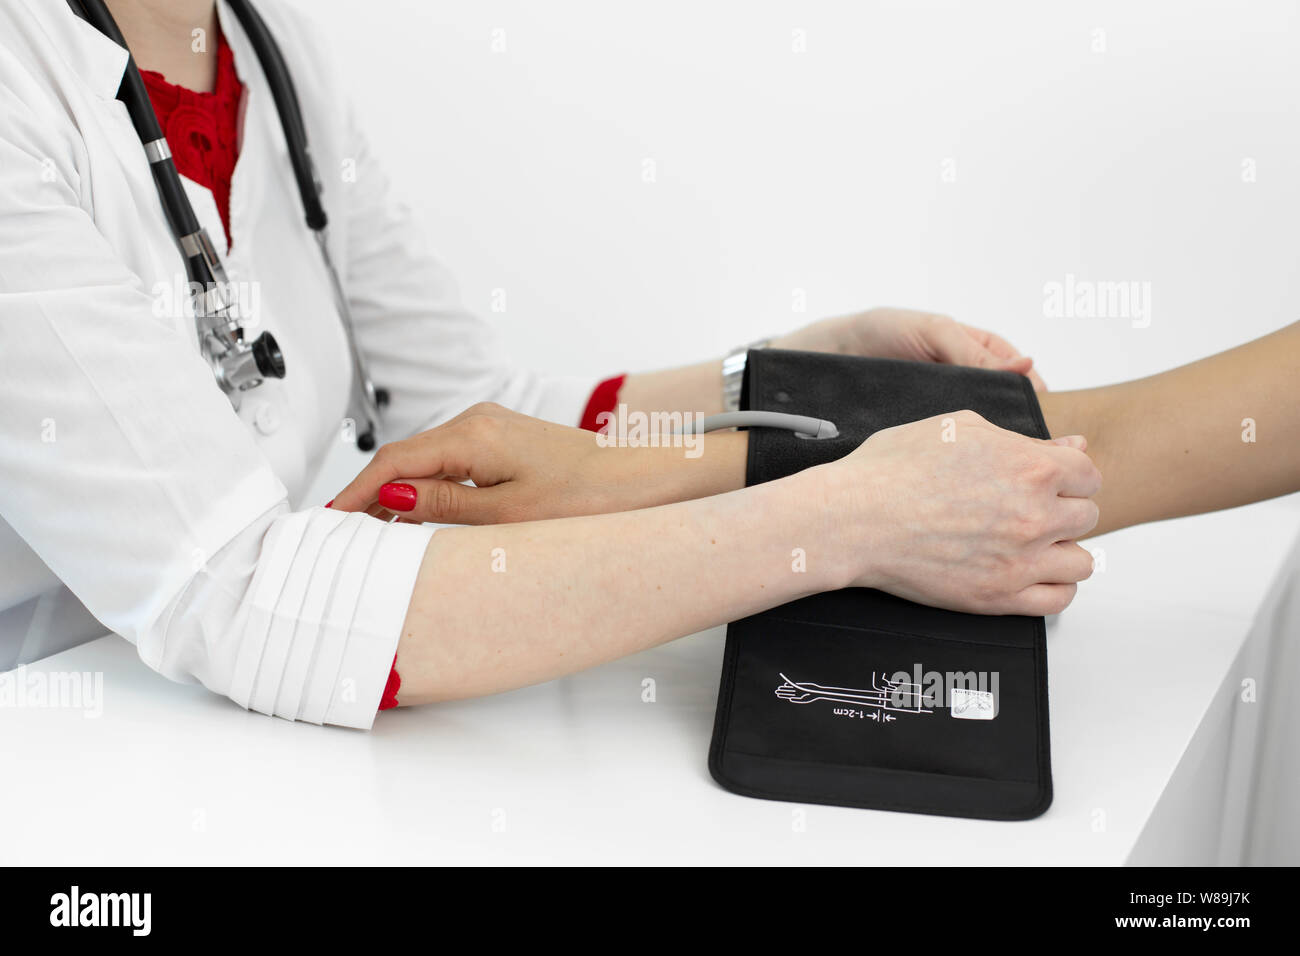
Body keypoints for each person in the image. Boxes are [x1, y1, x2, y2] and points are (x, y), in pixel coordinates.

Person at [0, 0, 1095, 726]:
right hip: (66, 746)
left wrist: (797, 375)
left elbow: (495, 421)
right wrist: (841, 524)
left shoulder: (267, 42)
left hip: (243, 740)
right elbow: (234, 591)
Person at [330, 320, 1300, 706]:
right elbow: (449, 417)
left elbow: (1095, 452)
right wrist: (833, 496)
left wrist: (760, 432)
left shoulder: (276, 50)